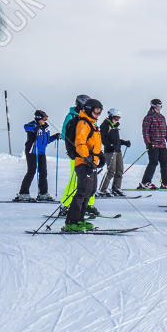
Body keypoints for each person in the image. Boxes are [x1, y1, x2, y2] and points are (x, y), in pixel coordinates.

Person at [63, 99, 105, 233]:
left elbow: (94, 144)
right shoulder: (83, 123)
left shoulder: (93, 124)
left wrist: (100, 155)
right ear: (88, 109)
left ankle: (80, 219)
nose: (98, 114)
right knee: (82, 191)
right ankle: (71, 222)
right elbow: (80, 143)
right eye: (96, 110)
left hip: (91, 163)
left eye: (100, 111)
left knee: (90, 191)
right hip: (83, 163)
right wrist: (88, 158)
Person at [60, 93, 99, 218]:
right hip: (79, 155)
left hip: (91, 156)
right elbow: (64, 134)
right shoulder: (72, 117)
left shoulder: (90, 118)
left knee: (91, 182)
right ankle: (66, 205)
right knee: (76, 180)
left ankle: (88, 205)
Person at [14, 109, 56, 201]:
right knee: (31, 171)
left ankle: (43, 193)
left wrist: (55, 137)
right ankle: (23, 193)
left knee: (43, 173)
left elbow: (47, 141)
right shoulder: (33, 125)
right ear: (38, 118)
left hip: (41, 152)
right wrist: (35, 128)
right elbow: (26, 127)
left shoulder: (46, 129)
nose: (45, 121)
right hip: (32, 152)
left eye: (46, 119)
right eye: (44, 119)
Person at [138, 98, 167, 190]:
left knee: (165, 163)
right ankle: (145, 182)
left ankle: (165, 182)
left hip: (162, 144)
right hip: (153, 145)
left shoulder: (162, 117)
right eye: (157, 107)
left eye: (160, 107)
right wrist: (148, 143)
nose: (159, 108)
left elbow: (166, 130)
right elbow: (145, 132)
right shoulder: (148, 118)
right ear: (153, 107)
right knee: (153, 163)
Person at [99, 108, 131, 197]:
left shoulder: (115, 126)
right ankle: (102, 190)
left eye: (119, 118)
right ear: (111, 116)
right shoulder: (105, 125)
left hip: (118, 151)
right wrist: (110, 145)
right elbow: (103, 139)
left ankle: (116, 188)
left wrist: (124, 142)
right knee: (111, 171)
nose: (118, 120)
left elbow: (116, 140)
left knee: (119, 170)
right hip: (110, 152)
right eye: (116, 118)